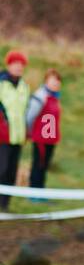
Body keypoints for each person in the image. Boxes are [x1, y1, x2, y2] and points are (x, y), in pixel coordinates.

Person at [0, 50, 31, 210]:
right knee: (2, 169)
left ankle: (5, 204)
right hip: (2, 136)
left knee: (11, 172)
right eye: (16, 64)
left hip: (18, 136)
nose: (19, 68)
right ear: (9, 65)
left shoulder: (24, 86)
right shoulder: (1, 83)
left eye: (21, 65)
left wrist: (27, 132)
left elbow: (25, 111)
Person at [25, 69, 61, 196]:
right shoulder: (40, 96)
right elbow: (30, 116)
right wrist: (28, 132)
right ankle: (34, 193)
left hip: (50, 139)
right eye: (52, 80)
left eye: (57, 80)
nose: (55, 83)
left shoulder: (55, 98)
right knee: (38, 165)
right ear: (46, 81)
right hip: (41, 139)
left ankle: (40, 192)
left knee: (44, 166)